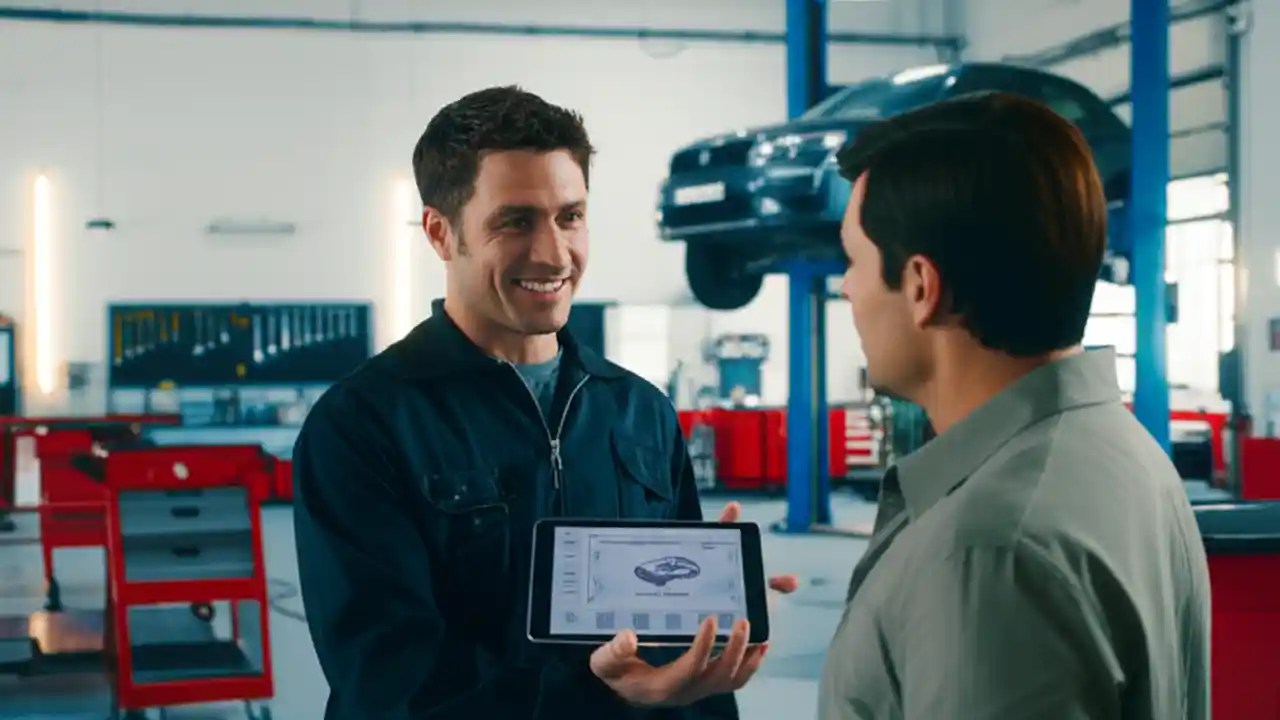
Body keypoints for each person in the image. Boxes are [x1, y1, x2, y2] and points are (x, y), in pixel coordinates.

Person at [292, 85, 794, 720]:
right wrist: (596, 690)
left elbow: (676, 672)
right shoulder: (363, 425)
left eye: (570, 216)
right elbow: (389, 680)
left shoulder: (638, 411)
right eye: (516, 220)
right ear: (441, 234)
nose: (554, 254)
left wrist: (711, 617)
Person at [819, 92, 1211, 719]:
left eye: (854, 259)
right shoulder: (1122, 453)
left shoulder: (990, 551)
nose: (846, 287)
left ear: (922, 288)